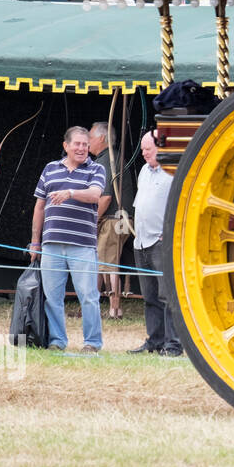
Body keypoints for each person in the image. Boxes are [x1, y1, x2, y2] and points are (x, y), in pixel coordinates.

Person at [30, 126, 107, 353]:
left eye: (85, 144)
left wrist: (71, 193)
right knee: (52, 297)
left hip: (82, 245)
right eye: (77, 144)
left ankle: (92, 343)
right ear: (66, 146)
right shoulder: (50, 169)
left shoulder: (97, 169)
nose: (82, 148)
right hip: (51, 243)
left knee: (89, 297)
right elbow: (39, 206)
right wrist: (35, 241)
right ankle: (57, 341)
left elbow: (95, 194)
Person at [130, 130, 180, 356]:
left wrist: (168, 234)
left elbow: (180, 205)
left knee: (167, 295)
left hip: (161, 242)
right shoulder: (143, 171)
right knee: (150, 296)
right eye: (142, 149)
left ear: (160, 147)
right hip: (141, 242)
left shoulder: (173, 172)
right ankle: (156, 340)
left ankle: (173, 344)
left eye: (148, 149)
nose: (143, 153)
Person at [88, 122, 134, 319]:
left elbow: (106, 197)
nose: (87, 142)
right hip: (122, 219)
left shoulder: (105, 162)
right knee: (102, 260)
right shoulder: (113, 158)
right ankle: (92, 305)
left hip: (113, 220)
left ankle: (115, 310)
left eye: (90, 138)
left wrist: (92, 220)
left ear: (101, 139)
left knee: (109, 262)